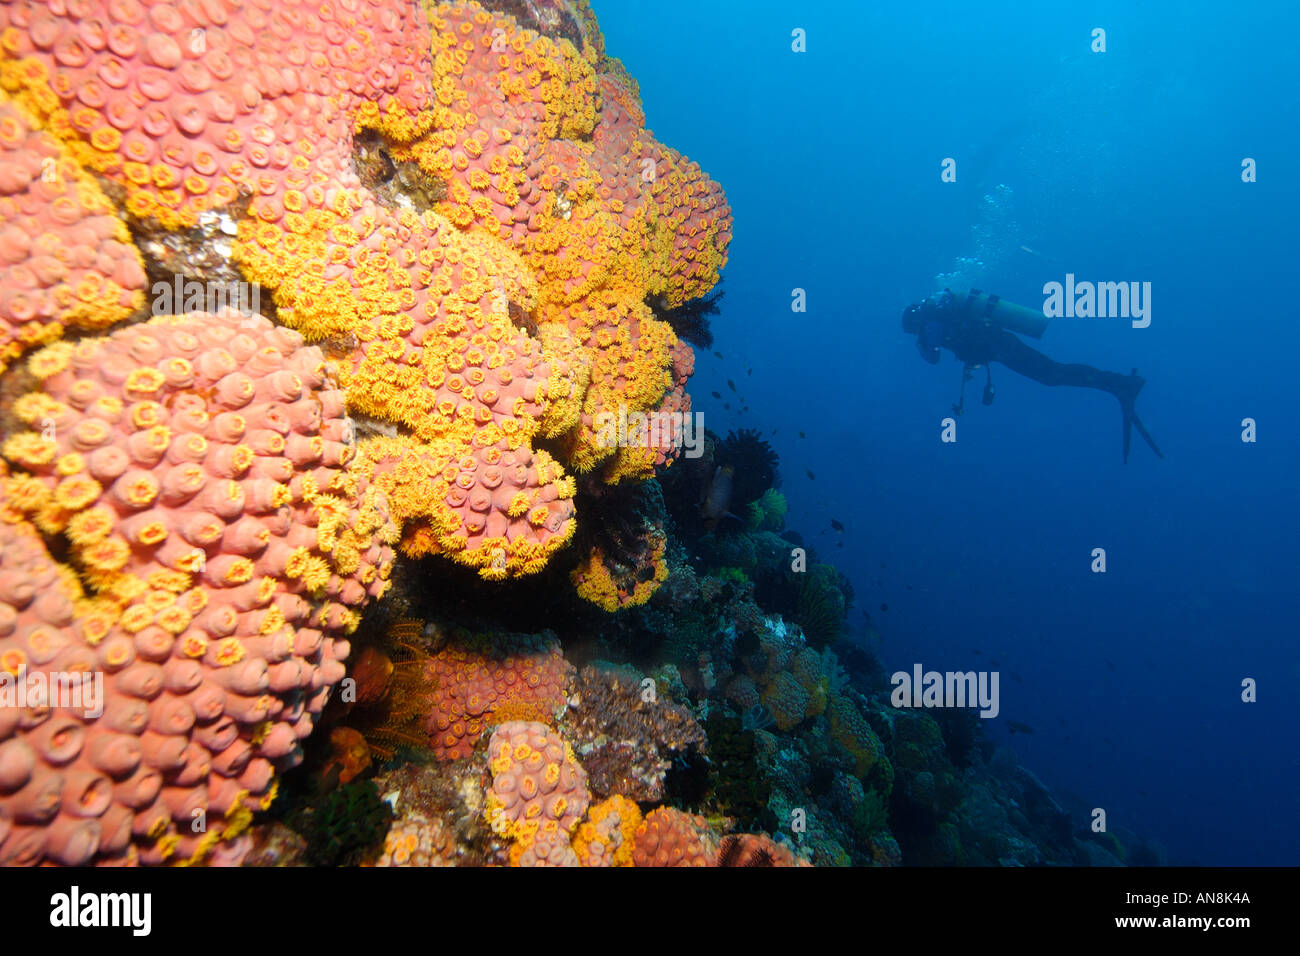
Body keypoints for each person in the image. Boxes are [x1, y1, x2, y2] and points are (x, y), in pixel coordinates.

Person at [902, 289, 1163, 463]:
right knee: (1053, 374)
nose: (916, 333)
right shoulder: (940, 314)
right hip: (1000, 345)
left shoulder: (931, 323)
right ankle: (1118, 385)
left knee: (1053, 374)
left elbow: (933, 357)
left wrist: (921, 344)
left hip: (1000, 348)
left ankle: (1121, 384)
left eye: (913, 331)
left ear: (915, 322)